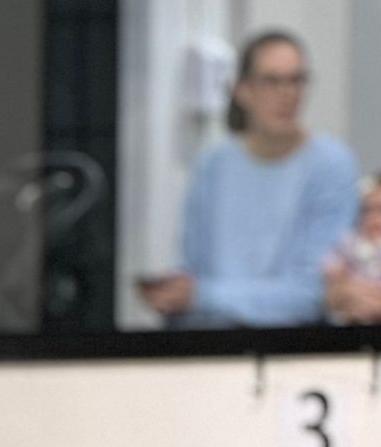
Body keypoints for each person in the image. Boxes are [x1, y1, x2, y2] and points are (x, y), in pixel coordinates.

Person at [140, 30, 358, 329]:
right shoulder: (213, 164)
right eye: (272, 81)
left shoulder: (331, 164)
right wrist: (172, 294)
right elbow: (192, 264)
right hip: (209, 346)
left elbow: (313, 292)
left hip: (295, 350)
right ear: (242, 90)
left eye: (297, 80)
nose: (287, 93)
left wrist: (201, 296)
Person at [325, 168, 381, 324]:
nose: (374, 218)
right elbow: (340, 252)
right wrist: (337, 286)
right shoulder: (359, 239)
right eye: (367, 211)